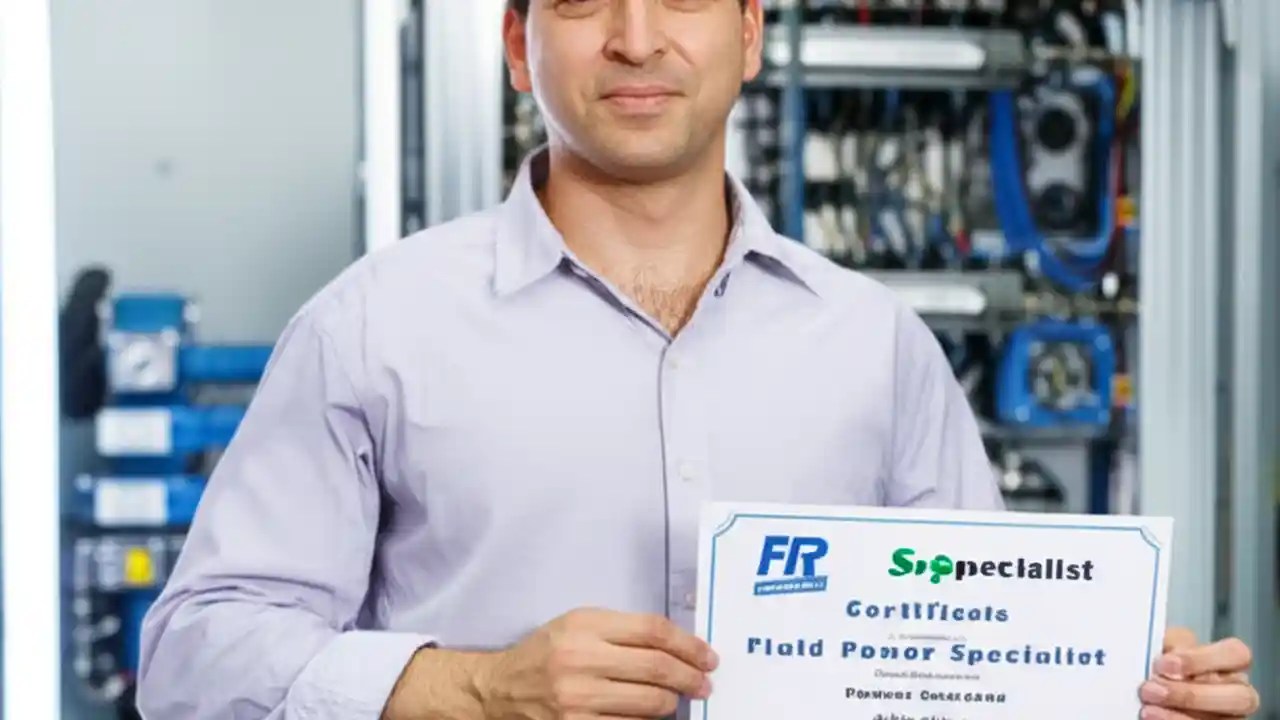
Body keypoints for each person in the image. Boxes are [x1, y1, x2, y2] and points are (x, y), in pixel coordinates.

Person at [136, 1, 1262, 718]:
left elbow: (974, 670)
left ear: (751, 32)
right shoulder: (370, 327)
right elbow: (193, 660)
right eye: (584, 0)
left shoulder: (876, 347)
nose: (636, 36)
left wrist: (1111, 690)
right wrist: (473, 687)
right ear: (518, 43)